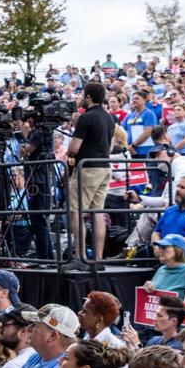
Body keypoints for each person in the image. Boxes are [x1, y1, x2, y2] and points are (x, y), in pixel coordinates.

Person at [66, 82, 117, 265]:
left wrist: (72, 147)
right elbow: (110, 145)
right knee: (97, 213)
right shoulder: (110, 118)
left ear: (88, 97)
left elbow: (73, 149)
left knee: (76, 212)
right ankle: (98, 259)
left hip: (87, 169)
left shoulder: (86, 117)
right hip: (104, 166)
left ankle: (80, 258)